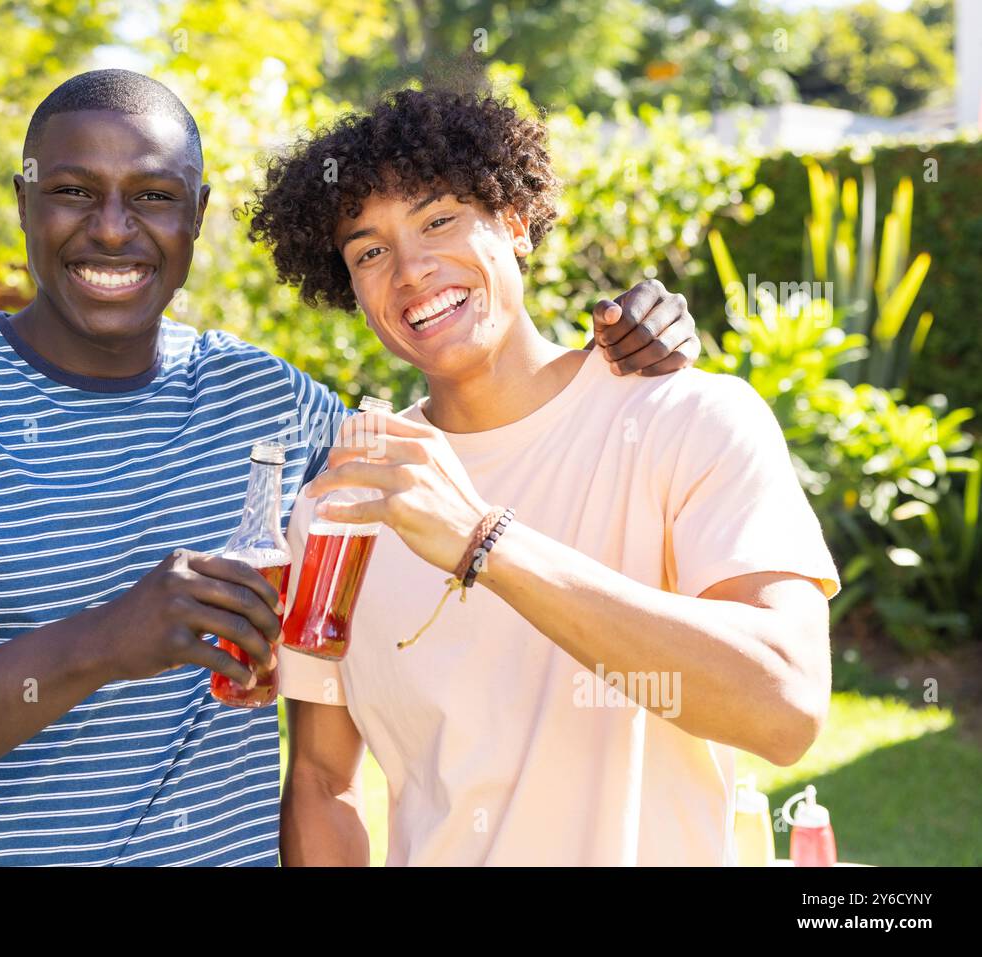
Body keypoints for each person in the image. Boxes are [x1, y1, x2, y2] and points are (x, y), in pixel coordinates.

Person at [0, 70, 702, 866]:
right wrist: (106, 640)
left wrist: (623, 354)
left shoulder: (273, 406)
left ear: (194, 214)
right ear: (25, 202)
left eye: (151, 195)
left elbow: (472, 440)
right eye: (74, 190)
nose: (112, 230)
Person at [250, 88, 840, 866]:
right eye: (369, 251)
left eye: (438, 220)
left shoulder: (689, 418)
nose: (413, 270)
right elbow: (325, 779)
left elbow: (784, 707)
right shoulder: (345, 501)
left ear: (516, 222)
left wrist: (482, 540)